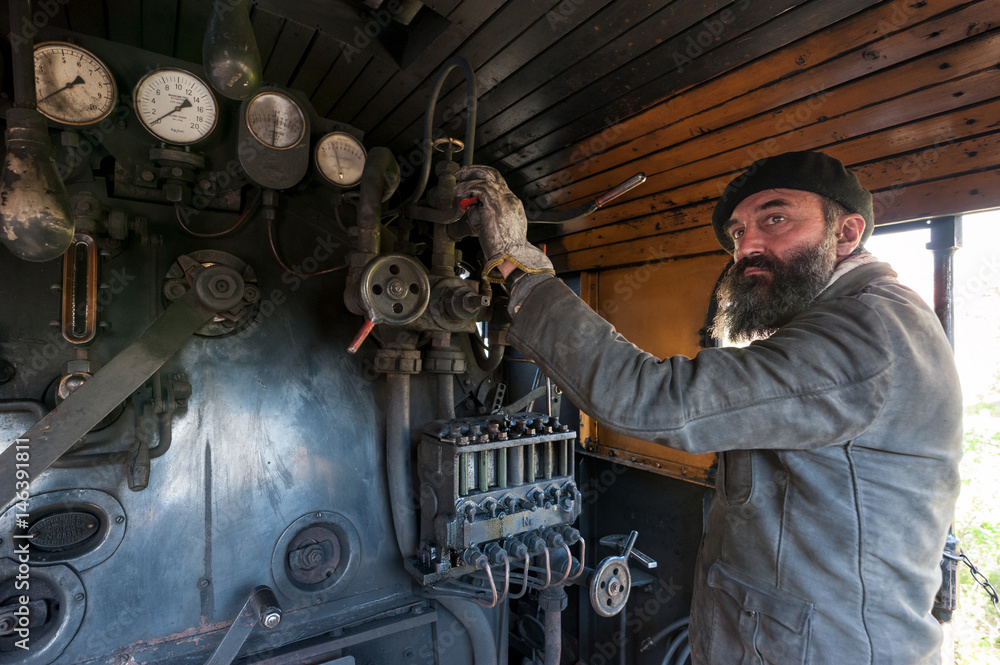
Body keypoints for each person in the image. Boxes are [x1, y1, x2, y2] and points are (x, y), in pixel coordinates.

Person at [455, 151, 963, 665]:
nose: (748, 246)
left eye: (775, 219)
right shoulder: (863, 320)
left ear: (846, 233)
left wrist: (520, 269)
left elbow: (650, 398)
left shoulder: (864, 332)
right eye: (738, 232)